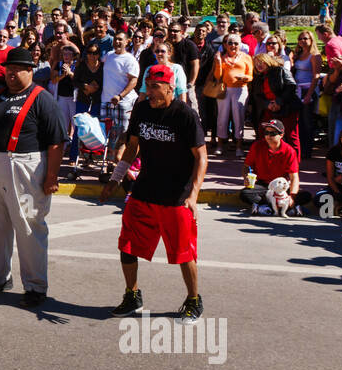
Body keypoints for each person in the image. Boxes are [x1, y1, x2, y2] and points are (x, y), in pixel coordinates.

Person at [104, 65, 207, 322]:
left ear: (171, 88)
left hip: (176, 196)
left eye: (155, 87)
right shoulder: (141, 109)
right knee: (127, 246)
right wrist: (116, 179)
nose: (150, 92)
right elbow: (132, 148)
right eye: (148, 86)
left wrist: (193, 195)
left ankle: (193, 299)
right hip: (145, 190)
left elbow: (201, 158)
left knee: (184, 253)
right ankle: (132, 294)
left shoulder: (185, 115)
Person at [0, 47, 66, 308]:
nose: (10, 74)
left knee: (28, 226)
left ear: (29, 71)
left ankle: (35, 286)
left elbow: (57, 142)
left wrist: (51, 177)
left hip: (23, 166)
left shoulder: (42, 99)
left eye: (16, 70)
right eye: (8, 69)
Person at [240, 120, 309, 215]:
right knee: (245, 193)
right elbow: (246, 166)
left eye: (272, 133)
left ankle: (266, 207)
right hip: (263, 185)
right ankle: (281, 207)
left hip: (281, 187)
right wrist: (246, 177)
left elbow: (294, 177)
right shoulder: (257, 146)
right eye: (266, 133)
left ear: (281, 135)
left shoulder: (289, 151)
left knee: (306, 196)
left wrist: (292, 196)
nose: (268, 136)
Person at [211, 33, 253, 157]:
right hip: (225, 89)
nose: (233, 45)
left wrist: (244, 77)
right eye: (230, 43)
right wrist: (218, 62)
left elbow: (250, 75)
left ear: (240, 45)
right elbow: (217, 76)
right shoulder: (222, 57)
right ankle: (220, 145)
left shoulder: (246, 57)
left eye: (236, 43)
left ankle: (239, 146)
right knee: (222, 118)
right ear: (225, 45)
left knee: (238, 118)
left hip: (240, 90)